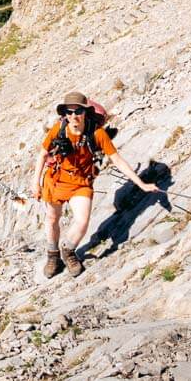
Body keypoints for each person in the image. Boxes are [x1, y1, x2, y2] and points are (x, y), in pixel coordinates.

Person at [29, 90, 158, 278]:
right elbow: (42, 154)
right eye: (69, 112)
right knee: (52, 219)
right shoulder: (59, 129)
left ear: (85, 112)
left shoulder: (97, 134)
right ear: (65, 114)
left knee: (82, 221)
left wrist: (141, 184)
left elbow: (117, 160)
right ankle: (53, 255)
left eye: (78, 112)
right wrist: (36, 183)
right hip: (56, 180)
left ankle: (68, 250)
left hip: (81, 182)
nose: (74, 116)